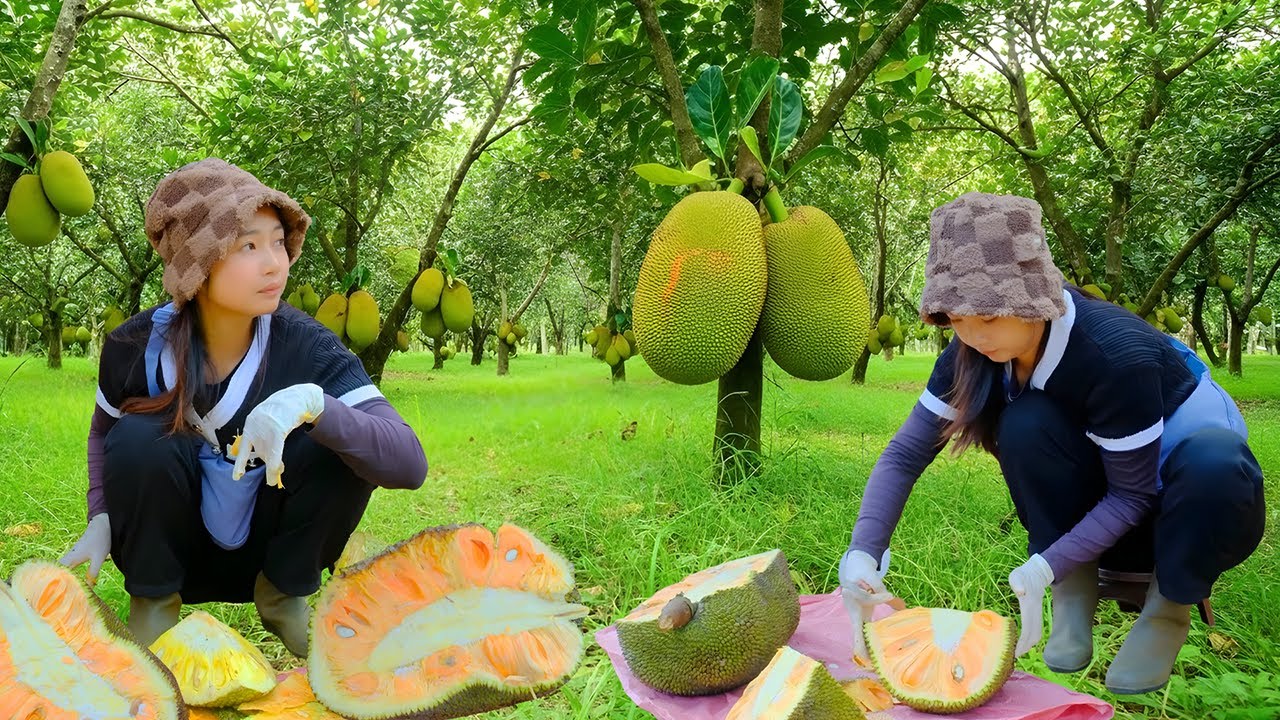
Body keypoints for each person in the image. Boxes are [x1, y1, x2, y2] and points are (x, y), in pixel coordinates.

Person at [838, 192, 1265, 694]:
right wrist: (864, 552)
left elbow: (1133, 494)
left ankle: (1168, 609)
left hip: (1186, 516)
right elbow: (906, 454)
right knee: (1026, 422)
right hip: (1095, 519)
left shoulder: (1114, 353)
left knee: (1216, 462)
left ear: (1035, 299)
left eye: (989, 317)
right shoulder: (973, 352)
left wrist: (1043, 565)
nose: (974, 336)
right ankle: (1074, 590)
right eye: (955, 318)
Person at [58, 158, 429, 655]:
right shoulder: (134, 346)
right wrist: (100, 514)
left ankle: (283, 598)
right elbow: (103, 435)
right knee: (136, 438)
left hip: (272, 551)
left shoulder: (309, 347)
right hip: (171, 549)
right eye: (249, 246)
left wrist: (314, 404)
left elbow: (409, 462)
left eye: (278, 242)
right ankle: (153, 604)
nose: (275, 263)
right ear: (197, 262)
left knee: (342, 435)